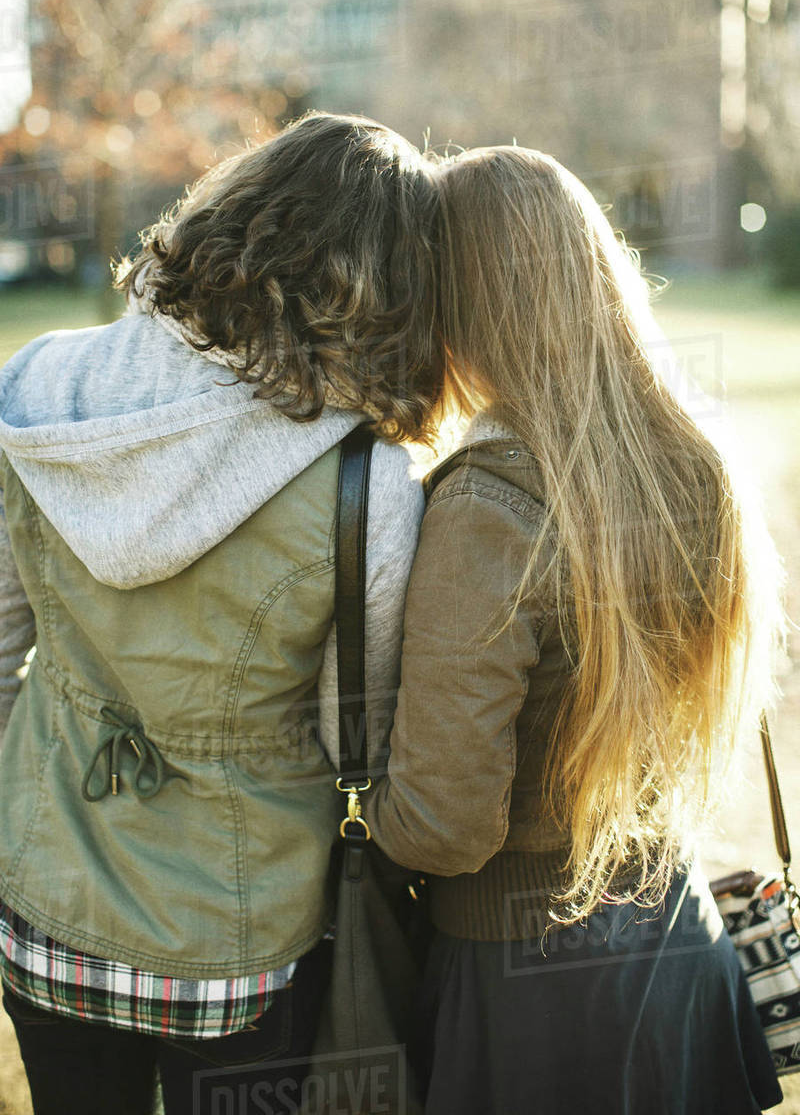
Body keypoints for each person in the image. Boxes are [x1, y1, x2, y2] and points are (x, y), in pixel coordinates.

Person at [0, 112, 442, 1115]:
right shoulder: (363, 479)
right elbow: (349, 733)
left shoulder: (33, 386)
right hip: (238, 933)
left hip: (44, 893)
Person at [364, 145, 785, 1114]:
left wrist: (347, 816)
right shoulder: (693, 459)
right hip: (675, 938)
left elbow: (442, 823)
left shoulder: (485, 505)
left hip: (528, 978)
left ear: (455, 304)